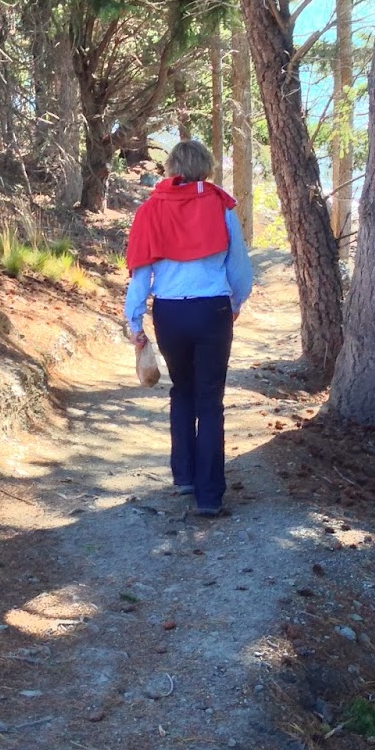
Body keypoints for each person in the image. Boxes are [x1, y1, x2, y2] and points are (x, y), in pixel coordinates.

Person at [124, 139, 253, 516]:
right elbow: (239, 269)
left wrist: (134, 321)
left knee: (182, 389)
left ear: (171, 167)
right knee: (209, 400)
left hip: (169, 314)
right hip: (211, 310)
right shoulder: (221, 207)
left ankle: (184, 477)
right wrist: (234, 303)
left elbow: (140, 272)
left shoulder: (150, 210)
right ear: (206, 167)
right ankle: (210, 496)